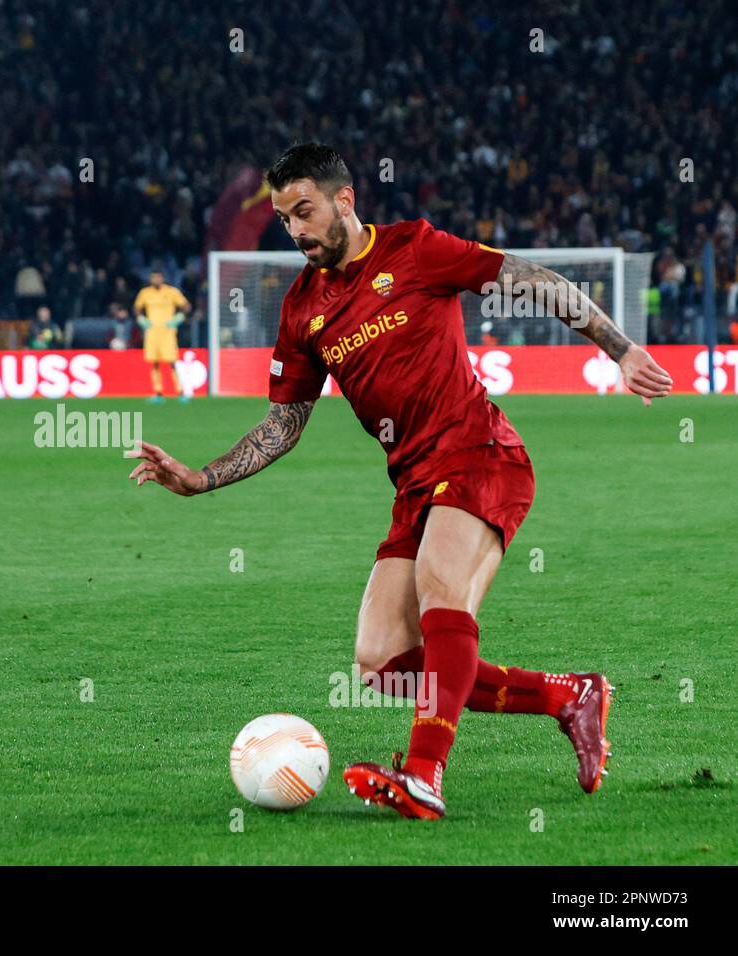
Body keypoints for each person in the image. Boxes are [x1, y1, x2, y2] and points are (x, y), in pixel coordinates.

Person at [126, 143, 673, 819]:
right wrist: (201, 478)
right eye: (283, 219)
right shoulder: (302, 310)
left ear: (344, 200)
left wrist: (621, 350)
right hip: (414, 484)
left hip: (479, 453)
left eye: (304, 211)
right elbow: (283, 425)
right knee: (380, 660)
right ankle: (569, 695)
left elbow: (526, 277)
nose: (295, 230)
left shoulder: (416, 250)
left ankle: (423, 776)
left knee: (441, 592)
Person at [133, 270, 192, 403]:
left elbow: (186, 306)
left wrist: (179, 317)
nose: (156, 280)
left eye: (158, 277)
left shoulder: (171, 292)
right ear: (150, 278)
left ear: (162, 278)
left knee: (172, 361)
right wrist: (141, 318)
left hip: (167, 331)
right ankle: (158, 392)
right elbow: (136, 308)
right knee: (154, 362)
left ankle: (180, 391)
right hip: (152, 332)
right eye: (154, 277)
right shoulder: (145, 293)